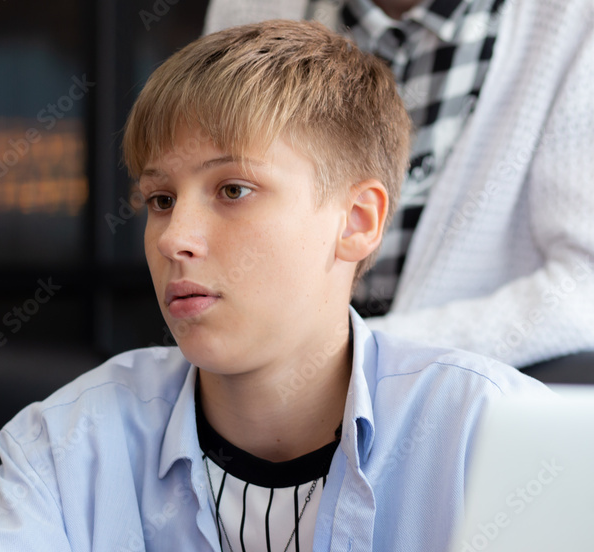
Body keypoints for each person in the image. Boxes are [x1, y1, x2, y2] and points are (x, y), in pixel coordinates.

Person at [0, 21, 549, 552]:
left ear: (357, 220)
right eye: (160, 199)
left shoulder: (494, 431)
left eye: (233, 190)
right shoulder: (73, 439)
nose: (174, 238)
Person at [204, 0, 594, 369]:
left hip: (468, 403)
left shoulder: (573, 22)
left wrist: (353, 355)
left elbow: (583, 291)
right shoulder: (248, 10)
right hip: (257, 394)